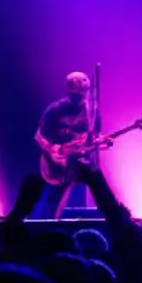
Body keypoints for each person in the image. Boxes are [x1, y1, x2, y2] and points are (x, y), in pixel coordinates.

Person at [34, 71, 106, 219]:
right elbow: (39, 137)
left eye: (82, 94)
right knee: (51, 206)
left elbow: (94, 138)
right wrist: (52, 158)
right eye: (75, 94)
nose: (79, 98)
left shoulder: (92, 112)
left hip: (80, 163)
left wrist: (101, 142)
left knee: (76, 206)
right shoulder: (55, 110)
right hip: (57, 164)